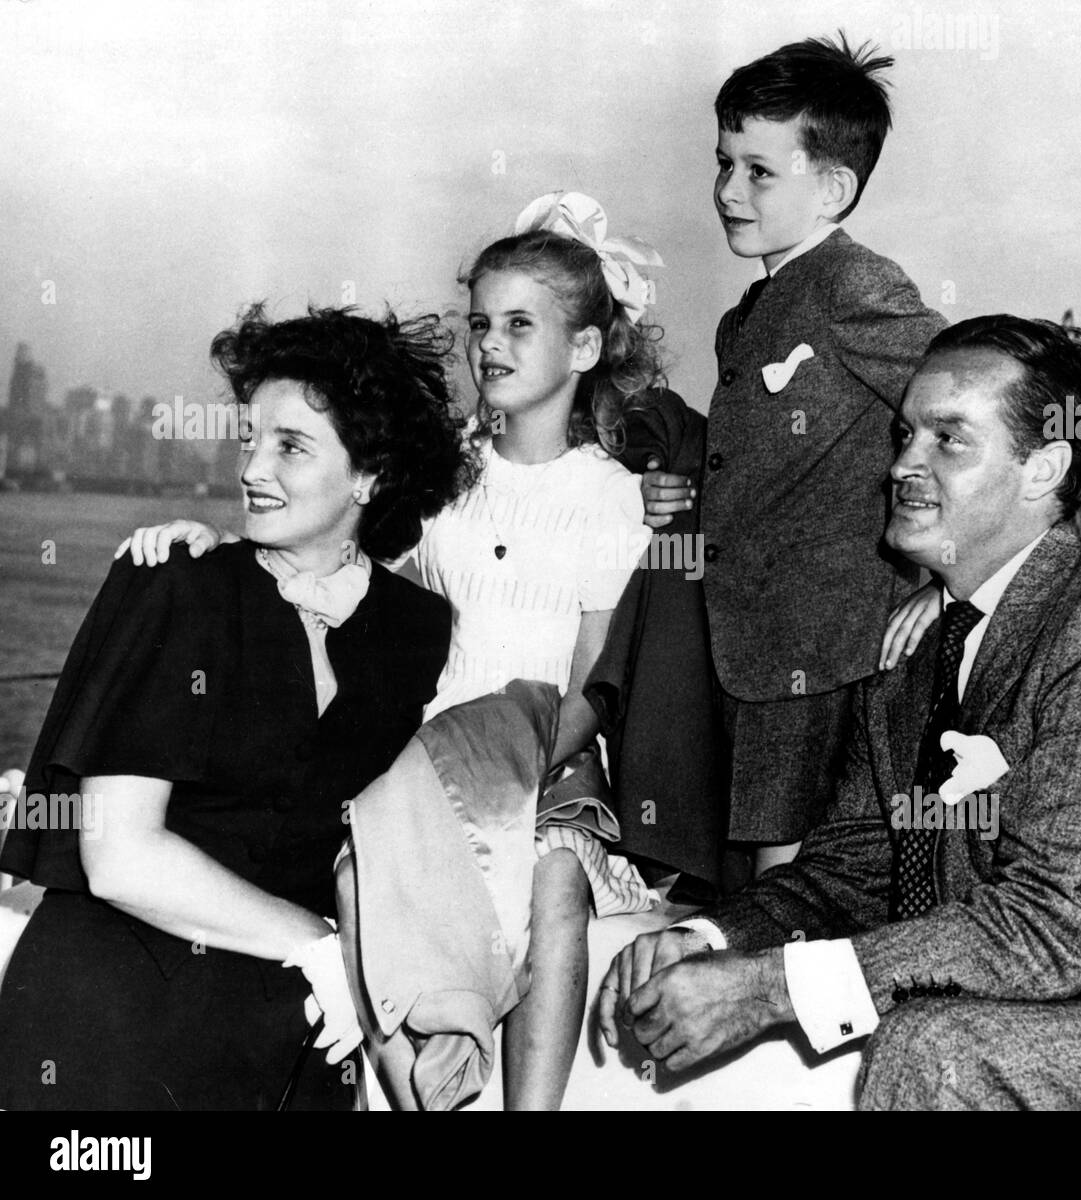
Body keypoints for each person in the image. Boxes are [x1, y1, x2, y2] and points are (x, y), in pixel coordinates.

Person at [600, 315, 1081, 1110]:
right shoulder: (910, 662)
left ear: (1043, 470)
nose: (902, 462)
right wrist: (710, 939)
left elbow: (1052, 929)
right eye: (906, 433)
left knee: (934, 1048)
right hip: (1076, 1017)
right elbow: (850, 868)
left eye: (948, 439)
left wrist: (768, 989)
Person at [116, 192, 668, 1109]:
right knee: (356, 871)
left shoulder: (614, 501)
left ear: (584, 348)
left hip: (546, 750)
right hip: (424, 746)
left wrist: (508, 776)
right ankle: (425, 1091)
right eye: (480, 323)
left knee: (556, 876)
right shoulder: (454, 474)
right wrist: (215, 543)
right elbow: (344, 559)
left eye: (519, 325)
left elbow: (593, 687)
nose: (489, 344)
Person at [0, 305, 466, 1109]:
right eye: (251, 440)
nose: (252, 469)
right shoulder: (179, 585)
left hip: (293, 1044)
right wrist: (315, 944)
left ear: (369, 473)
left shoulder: (415, 629)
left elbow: (394, 833)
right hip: (109, 1028)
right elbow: (117, 855)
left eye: (290, 447)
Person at [640, 33, 947, 874]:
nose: (728, 190)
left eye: (759, 171)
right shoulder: (747, 316)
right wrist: (683, 497)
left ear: (835, 188)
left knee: (791, 893)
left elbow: (980, 408)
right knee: (752, 890)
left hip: (827, 656)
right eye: (723, 163)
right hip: (749, 654)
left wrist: (953, 581)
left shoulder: (853, 286)